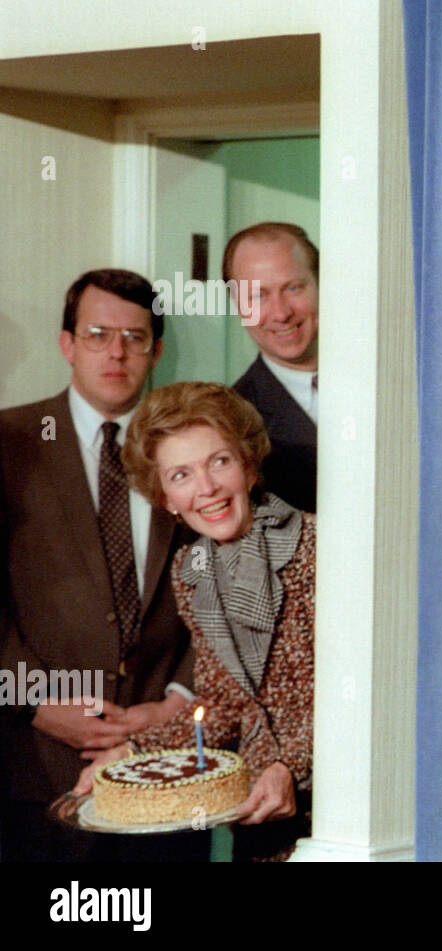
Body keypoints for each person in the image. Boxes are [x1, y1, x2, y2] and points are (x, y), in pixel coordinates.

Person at [0, 269, 199, 861]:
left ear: (156, 350)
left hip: (166, 772)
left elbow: (221, 584)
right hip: (36, 773)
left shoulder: (193, 450)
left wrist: (177, 699)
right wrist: (36, 701)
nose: (117, 352)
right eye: (97, 334)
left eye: (135, 338)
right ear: (67, 344)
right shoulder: (9, 442)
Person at [76, 382, 314, 862]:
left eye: (219, 461)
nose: (206, 488)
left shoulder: (316, 546)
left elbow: (364, 690)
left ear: (248, 466)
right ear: (165, 498)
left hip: (336, 805)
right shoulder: (194, 573)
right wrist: (135, 751)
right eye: (181, 475)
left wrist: (291, 765)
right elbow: (224, 705)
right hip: (259, 819)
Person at [224, 222, 319, 513]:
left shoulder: (387, 381)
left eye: (293, 287)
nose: (281, 313)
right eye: (257, 296)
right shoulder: (230, 420)